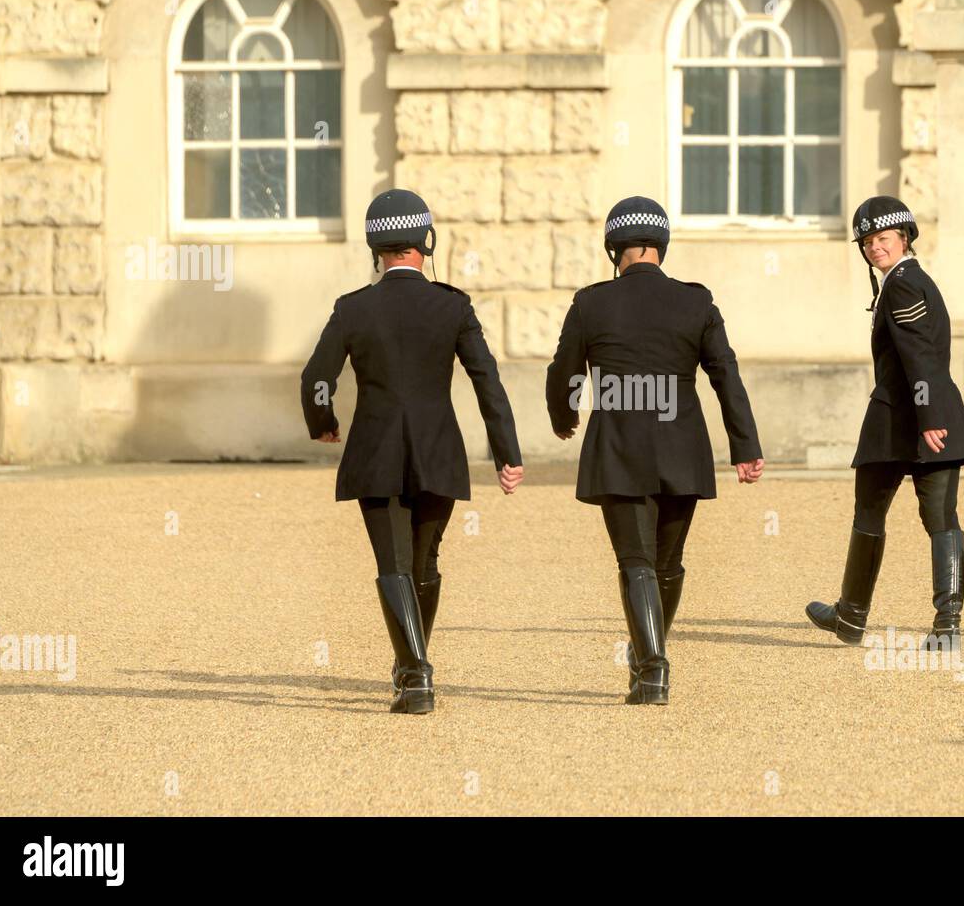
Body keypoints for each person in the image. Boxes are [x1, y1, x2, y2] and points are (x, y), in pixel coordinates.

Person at [301, 189, 524, 714]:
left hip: (375, 450)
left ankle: (415, 673)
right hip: (438, 450)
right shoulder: (453, 305)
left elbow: (316, 378)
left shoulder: (353, 307)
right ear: (426, 241)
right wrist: (505, 452)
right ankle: (411, 666)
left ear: (374, 246)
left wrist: (324, 421)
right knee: (424, 563)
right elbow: (487, 381)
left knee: (394, 563)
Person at [545, 196, 764, 705]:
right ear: (660, 246)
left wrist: (564, 415)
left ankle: (651, 667)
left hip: (619, 447)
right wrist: (744, 445)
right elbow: (725, 375)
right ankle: (652, 658)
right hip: (681, 446)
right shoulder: (696, 301)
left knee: (635, 561)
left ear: (614, 248)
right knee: (668, 563)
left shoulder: (591, 302)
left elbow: (564, 372)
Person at [806, 196, 964, 650]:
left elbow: (919, 355)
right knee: (942, 520)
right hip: (929, 414)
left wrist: (930, 417)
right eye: (866, 241)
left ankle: (853, 616)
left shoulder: (902, 285)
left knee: (871, 512)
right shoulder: (910, 281)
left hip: (903, 420)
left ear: (904, 239)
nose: (873, 247)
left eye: (882, 238)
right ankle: (948, 626)